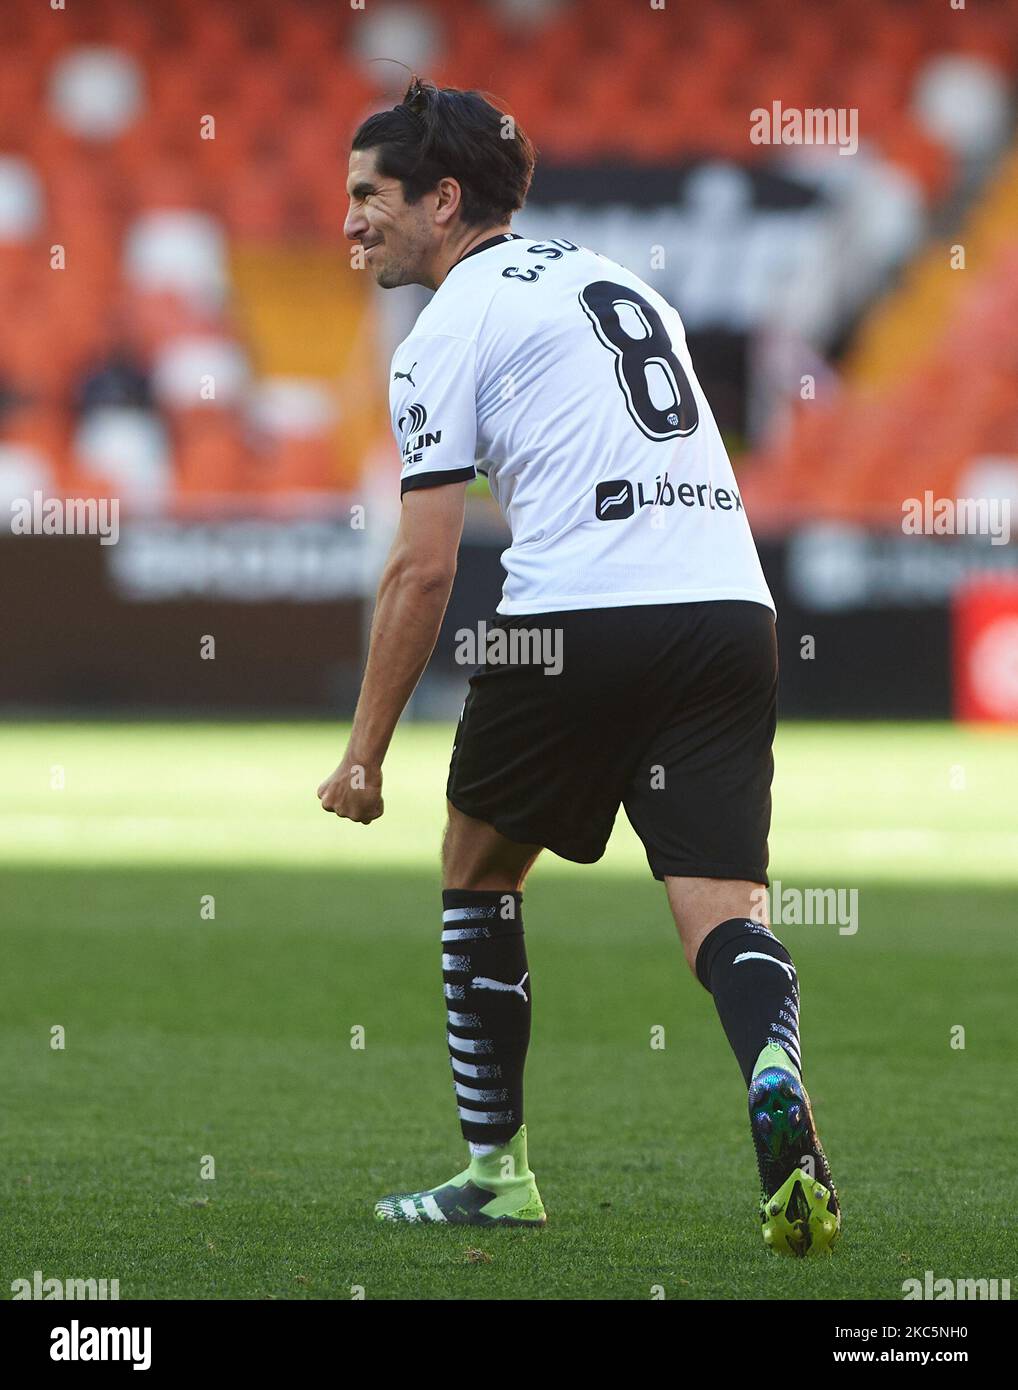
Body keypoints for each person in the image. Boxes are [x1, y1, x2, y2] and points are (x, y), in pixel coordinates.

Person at [317, 77, 840, 1256]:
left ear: (443, 200)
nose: (348, 221)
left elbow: (423, 570)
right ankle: (770, 1061)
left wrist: (362, 754)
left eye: (368, 196)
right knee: (721, 900)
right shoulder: (619, 279)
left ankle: (493, 1173)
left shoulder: (444, 326)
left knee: (477, 868)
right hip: (728, 607)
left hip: (579, 615)